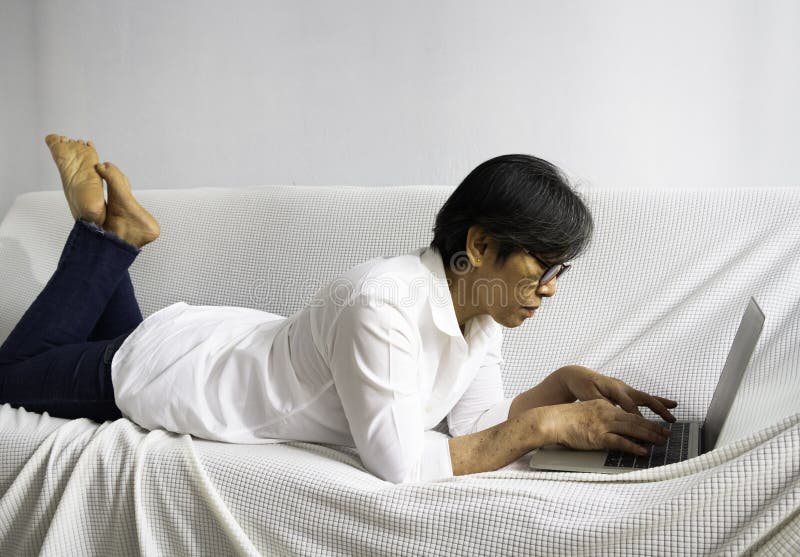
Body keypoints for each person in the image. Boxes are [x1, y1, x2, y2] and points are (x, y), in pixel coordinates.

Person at [0, 135, 678, 485]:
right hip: (173, 380)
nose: (552, 288)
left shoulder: (481, 311)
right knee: (13, 374)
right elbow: (400, 462)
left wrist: (555, 389)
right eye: (542, 266)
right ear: (480, 244)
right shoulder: (382, 305)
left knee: (106, 339)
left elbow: (476, 426)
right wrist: (546, 427)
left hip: (206, 341)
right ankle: (107, 236)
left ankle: (114, 236)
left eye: (561, 269)